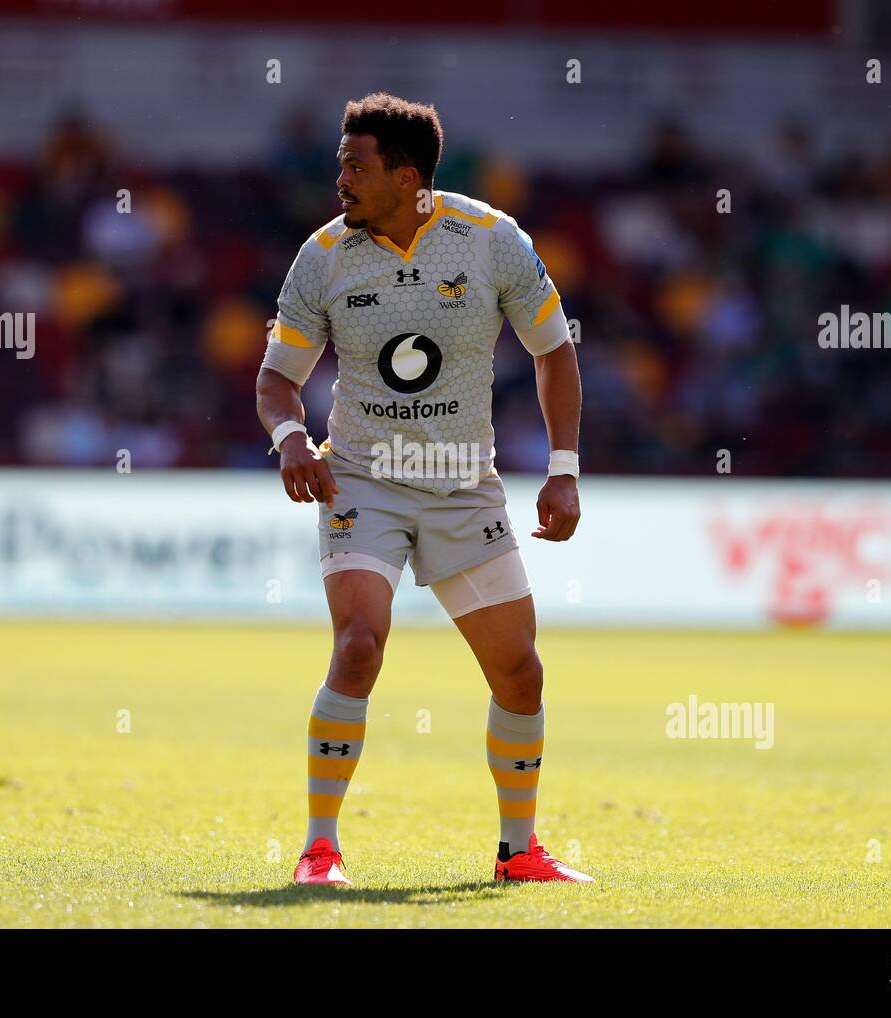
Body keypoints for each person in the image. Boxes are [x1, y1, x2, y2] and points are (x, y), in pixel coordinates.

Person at [255, 92, 590, 884]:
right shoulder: (325, 255)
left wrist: (565, 470)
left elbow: (555, 352)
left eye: (355, 167)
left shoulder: (490, 241)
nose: (340, 179)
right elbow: (277, 378)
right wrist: (292, 437)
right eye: (340, 163)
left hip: (461, 486)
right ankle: (320, 849)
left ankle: (519, 852)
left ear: (406, 178)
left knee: (521, 673)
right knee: (359, 645)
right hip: (364, 480)